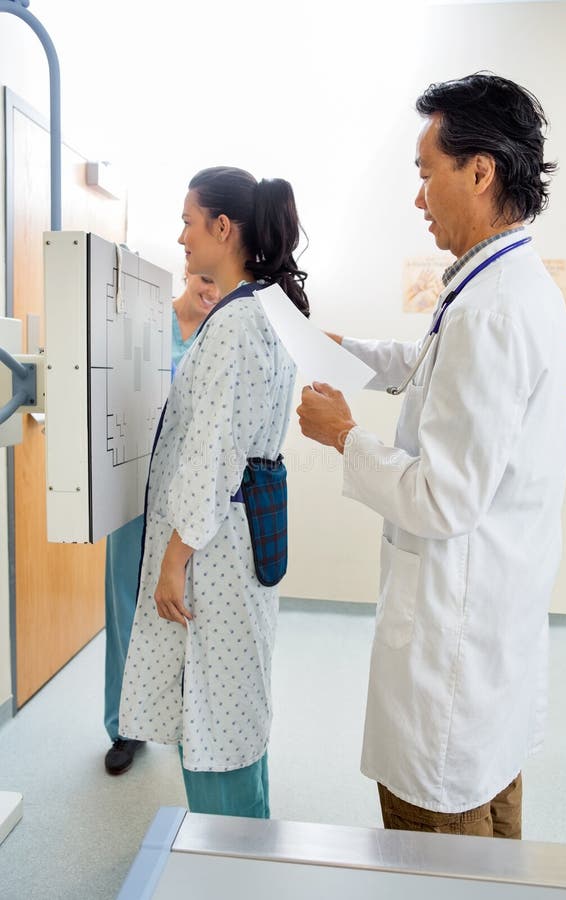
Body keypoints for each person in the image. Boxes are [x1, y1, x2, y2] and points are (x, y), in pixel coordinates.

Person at [297, 73, 566, 838]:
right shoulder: (506, 288)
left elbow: (442, 499)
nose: (418, 198)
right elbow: (427, 365)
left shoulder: (493, 310)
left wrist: (344, 435)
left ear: (479, 171)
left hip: (453, 652)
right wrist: (341, 350)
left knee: (441, 847)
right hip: (489, 641)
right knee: (494, 820)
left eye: (426, 174)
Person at [119, 166, 308, 817]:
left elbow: (212, 459)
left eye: (187, 221)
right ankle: (247, 853)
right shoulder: (266, 311)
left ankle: (231, 863)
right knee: (238, 706)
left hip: (216, 551)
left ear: (222, 228)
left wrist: (173, 561)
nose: (181, 237)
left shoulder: (229, 327)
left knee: (214, 717)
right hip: (244, 540)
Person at [104, 267, 221, 775]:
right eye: (203, 279)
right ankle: (124, 728)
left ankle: (180, 723)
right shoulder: (147, 327)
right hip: (135, 493)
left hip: (190, 500)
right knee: (126, 609)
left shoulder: (221, 334)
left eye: (219, 284)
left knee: (185, 611)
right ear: (188, 271)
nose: (210, 291)